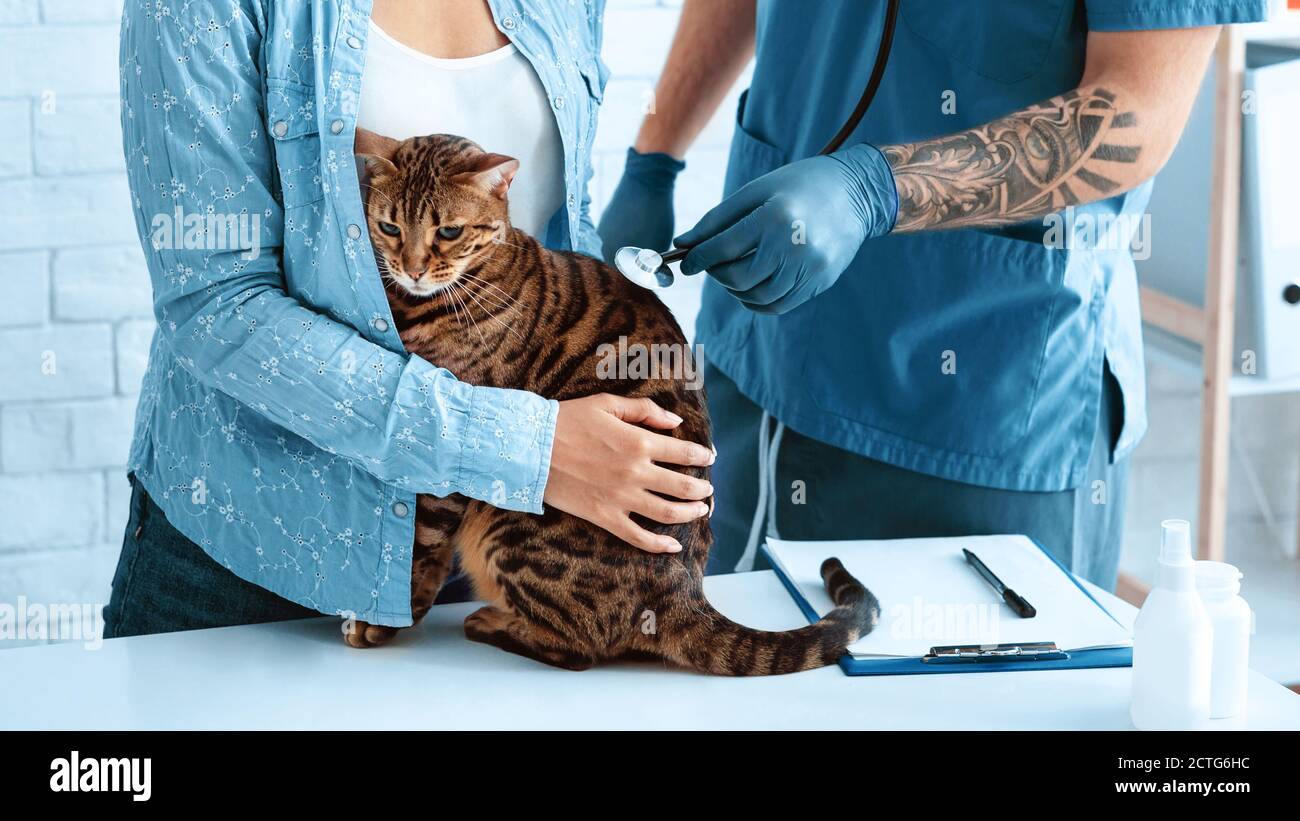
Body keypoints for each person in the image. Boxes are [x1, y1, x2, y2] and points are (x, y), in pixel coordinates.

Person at [599, 0, 1269, 588]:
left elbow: (1137, 106)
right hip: (758, 360)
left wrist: (878, 188)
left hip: (979, 397)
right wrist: (655, 159)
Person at [104, 0, 713, 638]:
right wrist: (527, 448)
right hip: (259, 546)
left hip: (496, 545)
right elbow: (215, 305)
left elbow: (551, 211)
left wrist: (634, 455)